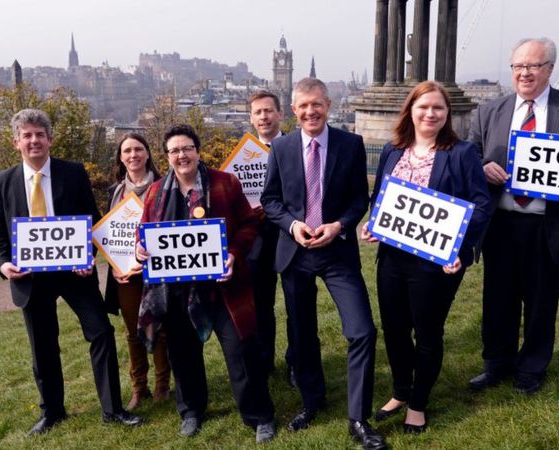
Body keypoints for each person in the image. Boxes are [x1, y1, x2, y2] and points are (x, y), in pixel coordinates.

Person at [0, 109, 143, 435]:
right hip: (30, 278)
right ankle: (52, 412)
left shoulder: (72, 173)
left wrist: (88, 257)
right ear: (16, 142)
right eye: (27, 135)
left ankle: (113, 410)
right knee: (42, 345)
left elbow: (91, 220)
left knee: (101, 332)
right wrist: (3, 264)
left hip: (76, 275)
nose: (34, 141)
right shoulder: (4, 181)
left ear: (50, 139)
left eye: (39, 135)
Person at [467, 37, 559, 395]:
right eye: (518, 66)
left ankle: (531, 369)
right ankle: (496, 364)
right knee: (498, 299)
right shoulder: (489, 110)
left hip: (549, 225)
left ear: (550, 69)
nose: (525, 73)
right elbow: (470, 159)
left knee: (541, 301)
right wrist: (483, 167)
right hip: (501, 224)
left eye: (533, 66)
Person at [261, 78, 386, 450]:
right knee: (302, 335)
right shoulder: (281, 147)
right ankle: (312, 402)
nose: (310, 112)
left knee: (362, 331)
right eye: (303, 106)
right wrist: (293, 225)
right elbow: (271, 200)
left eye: (317, 104)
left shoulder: (351, 144)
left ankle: (359, 418)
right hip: (296, 252)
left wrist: (340, 225)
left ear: (328, 105)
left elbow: (358, 199)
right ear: (294, 110)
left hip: (337, 252)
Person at [361, 81, 491, 433]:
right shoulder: (392, 149)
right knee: (395, 329)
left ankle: (418, 403)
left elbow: (482, 205)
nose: (430, 113)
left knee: (428, 332)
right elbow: (381, 197)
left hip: (435, 262)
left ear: (447, 114)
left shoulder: (461, 152)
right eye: (423, 107)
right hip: (392, 258)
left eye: (438, 108)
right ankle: (402, 390)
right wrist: (373, 225)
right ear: (411, 110)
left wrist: (460, 249)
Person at [135, 124, 276, 443]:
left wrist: (234, 254)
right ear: (167, 157)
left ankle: (259, 415)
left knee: (241, 351)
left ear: (198, 152)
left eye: (187, 148)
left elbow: (249, 225)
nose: (181, 155)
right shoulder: (156, 192)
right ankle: (191, 411)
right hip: (176, 289)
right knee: (182, 354)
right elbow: (143, 232)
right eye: (174, 151)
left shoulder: (225, 183)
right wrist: (140, 248)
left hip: (225, 286)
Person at [103, 133, 171, 410]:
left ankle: (162, 386)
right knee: (132, 332)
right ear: (121, 157)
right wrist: (115, 265)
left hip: (158, 268)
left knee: (161, 328)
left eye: (139, 149)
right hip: (126, 274)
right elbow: (110, 233)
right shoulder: (115, 192)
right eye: (127, 150)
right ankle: (138, 388)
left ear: (147, 153)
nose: (133, 155)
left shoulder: (165, 185)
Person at [246, 90, 295, 383]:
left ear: (280, 114)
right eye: (258, 112)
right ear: (251, 119)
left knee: (295, 303)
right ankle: (265, 361)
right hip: (256, 239)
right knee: (260, 305)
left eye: (268, 111)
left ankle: (295, 361)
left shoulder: (295, 147)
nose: (263, 117)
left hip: (290, 235)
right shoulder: (242, 154)